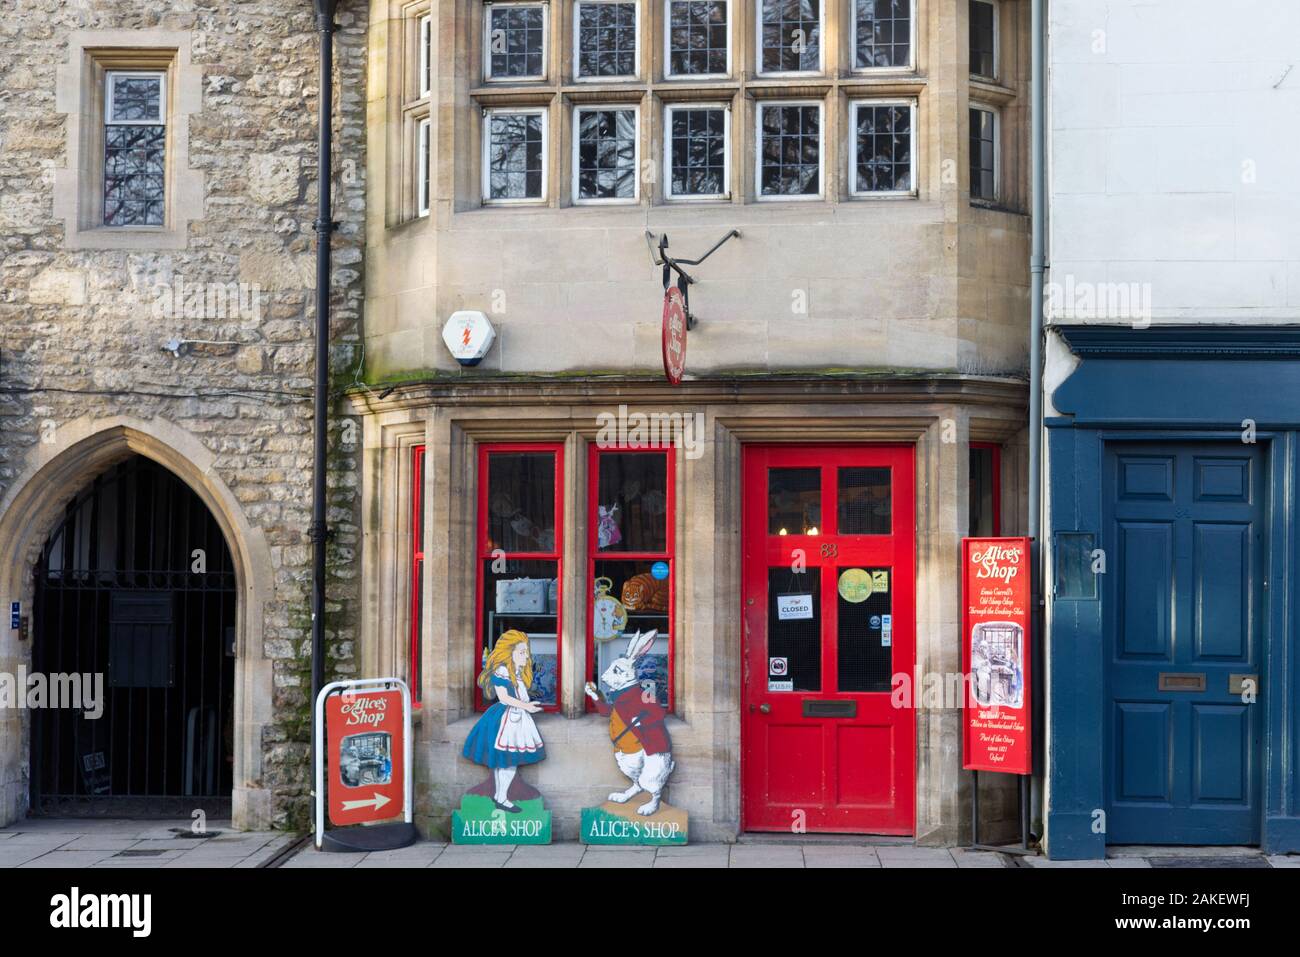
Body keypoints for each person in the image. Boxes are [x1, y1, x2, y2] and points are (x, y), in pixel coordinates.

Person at [462, 630, 545, 812]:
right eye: (522, 652)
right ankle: (501, 797)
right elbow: (504, 698)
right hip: (505, 720)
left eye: (527, 651)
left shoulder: (516, 671)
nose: (526, 655)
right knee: (507, 761)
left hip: (517, 718)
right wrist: (527, 707)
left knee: (506, 762)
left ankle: (501, 796)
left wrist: (528, 704)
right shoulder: (502, 671)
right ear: (510, 652)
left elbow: (518, 695)